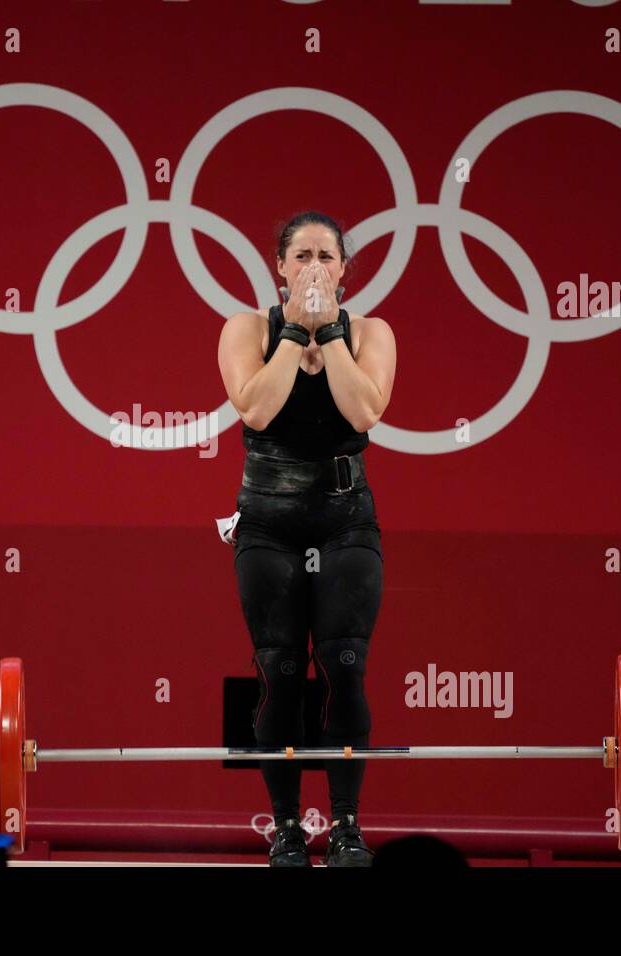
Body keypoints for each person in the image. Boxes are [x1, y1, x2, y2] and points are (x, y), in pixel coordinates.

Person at [216, 211, 397, 867]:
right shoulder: (247, 329)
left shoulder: (373, 332)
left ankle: (346, 826)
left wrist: (334, 339)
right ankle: (287, 827)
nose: (316, 266)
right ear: (281, 268)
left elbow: (363, 411)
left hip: (345, 516)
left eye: (328, 256)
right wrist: (296, 331)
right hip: (267, 518)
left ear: (345, 272)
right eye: (304, 255)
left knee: (345, 667)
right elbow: (256, 407)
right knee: (280, 670)